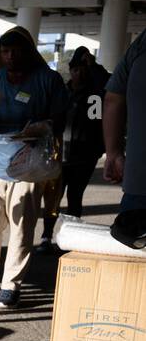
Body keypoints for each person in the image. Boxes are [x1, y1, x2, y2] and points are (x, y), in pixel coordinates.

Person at [0, 26, 68, 310]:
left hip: (29, 166)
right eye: (5, 51)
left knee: (21, 228)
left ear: (28, 52)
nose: (10, 56)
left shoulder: (47, 80)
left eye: (16, 51)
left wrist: (43, 127)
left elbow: (62, 117)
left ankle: (11, 288)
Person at [39, 47, 109, 247]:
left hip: (83, 157)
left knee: (74, 198)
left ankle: (70, 238)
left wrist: (94, 66)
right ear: (71, 70)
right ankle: (46, 236)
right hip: (59, 154)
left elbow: (106, 83)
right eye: (76, 69)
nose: (80, 73)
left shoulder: (95, 96)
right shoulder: (62, 92)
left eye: (84, 69)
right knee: (53, 198)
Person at [104, 28, 146, 213]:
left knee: (132, 238)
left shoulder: (141, 45)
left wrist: (113, 153)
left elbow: (112, 99)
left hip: (140, 182)